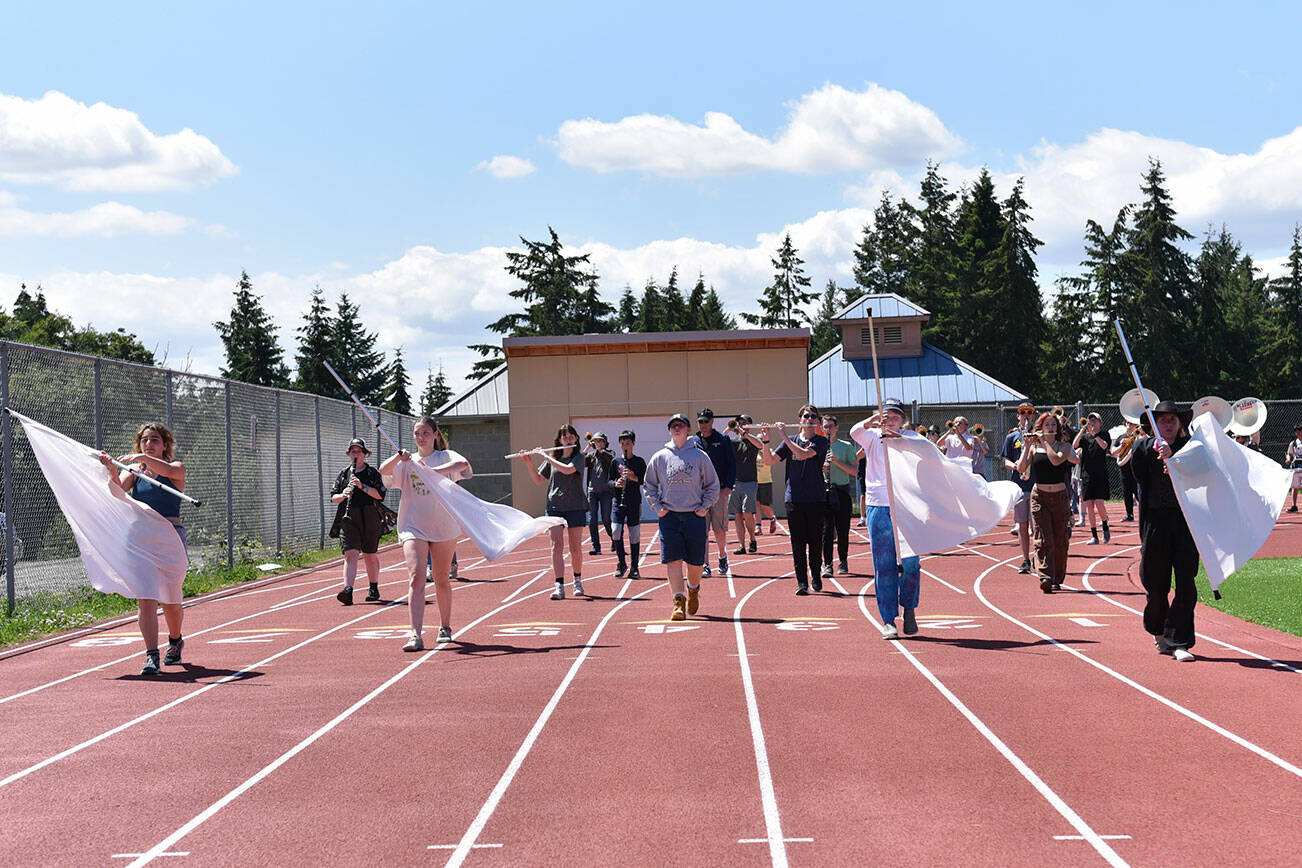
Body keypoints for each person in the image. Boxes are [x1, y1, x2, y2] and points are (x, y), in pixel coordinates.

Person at [97, 423, 188, 675]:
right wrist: (112, 469)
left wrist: (141, 459)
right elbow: (117, 492)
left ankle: (175, 639)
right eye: (145, 440)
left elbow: (168, 469)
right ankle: (151, 655)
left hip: (170, 538)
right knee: (146, 596)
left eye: (155, 440)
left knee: (170, 600)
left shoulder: (175, 469)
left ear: (164, 445)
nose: (149, 444)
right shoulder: (135, 471)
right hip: (141, 539)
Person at [379, 417, 471, 651]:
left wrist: (433, 470)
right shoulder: (407, 461)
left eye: (426, 433)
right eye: (417, 433)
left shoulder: (444, 457)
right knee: (416, 577)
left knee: (441, 579)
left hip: (443, 526)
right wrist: (399, 457)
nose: (421, 437)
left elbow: (463, 464)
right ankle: (415, 635)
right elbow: (383, 471)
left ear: (435, 434)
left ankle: (445, 626)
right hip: (413, 525)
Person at [1128, 402, 1200, 662]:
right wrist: (1156, 448)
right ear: (1155, 425)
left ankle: (1180, 641)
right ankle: (1159, 632)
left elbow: (1202, 467)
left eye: (1173, 420)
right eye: (1163, 420)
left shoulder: (1191, 447)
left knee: (1186, 584)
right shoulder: (1144, 447)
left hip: (1185, 524)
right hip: (1155, 522)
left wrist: (1177, 458)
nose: (1169, 424)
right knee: (1156, 584)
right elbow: (1137, 464)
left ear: (1180, 424)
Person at [854, 399, 924, 639]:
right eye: (886, 415)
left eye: (896, 416)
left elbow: (928, 454)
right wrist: (871, 423)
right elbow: (855, 432)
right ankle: (888, 619)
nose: (891, 419)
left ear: (903, 420)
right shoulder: (872, 436)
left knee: (912, 563)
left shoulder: (911, 437)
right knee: (883, 565)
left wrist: (899, 438)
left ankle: (910, 607)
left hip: (907, 507)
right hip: (878, 506)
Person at [644, 413, 719, 620]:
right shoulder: (660, 457)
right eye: (673, 426)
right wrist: (657, 507)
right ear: (669, 430)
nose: (677, 428)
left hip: (694, 515)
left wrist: (705, 506)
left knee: (695, 563)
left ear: (687, 430)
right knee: (673, 561)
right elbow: (649, 485)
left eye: (681, 425)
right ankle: (678, 601)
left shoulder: (699, 456)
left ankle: (693, 589)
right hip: (669, 517)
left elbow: (713, 485)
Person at [761, 404, 829, 595]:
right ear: (800, 420)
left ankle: (816, 573)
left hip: (815, 499)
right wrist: (766, 441)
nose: (809, 419)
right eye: (806, 416)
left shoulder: (821, 441)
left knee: (815, 542)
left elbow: (803, 454)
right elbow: (769, 461)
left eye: (813, 417)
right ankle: (801, 582)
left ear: (817, 421)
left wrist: (782, 435)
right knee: (797, 543)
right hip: (794, 499)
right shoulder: (791, 440)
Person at [519, 424, 587, 600]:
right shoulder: (551, 458)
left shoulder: (579, 457)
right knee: (556, 546)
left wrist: (546, 457)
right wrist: (528, 462)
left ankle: (577, 580)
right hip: (555, 506)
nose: (568, 439)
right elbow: (538, 480)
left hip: (575, 506)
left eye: (571, 436)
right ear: (559, 440)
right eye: (564, 437)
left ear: (576, 439)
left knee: (575, 548)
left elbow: (568, 470)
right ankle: (559, 585)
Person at [1016, 411, 1079, 593]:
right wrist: (1027, 446)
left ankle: (1057, 577)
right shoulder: (1035, 447)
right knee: (1043, 538)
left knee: (1060, 540)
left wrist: (1043, 441)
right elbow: (1021, 468)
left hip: (1060, 497)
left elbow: (1056, 460)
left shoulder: (1064, 446)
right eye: (1046, 425)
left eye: (1052, 425)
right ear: (1041, 427)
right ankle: (1044, 576)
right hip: (1039, 496)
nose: (1050, 428)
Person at [330, 438, 387, 605]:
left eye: (359, 451)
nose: (356, 454)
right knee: (350, 554)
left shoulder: (372, 473)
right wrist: (343, 495)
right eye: (353, 451)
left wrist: (362, 486)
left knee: (370, 554)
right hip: (348, 518)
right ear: (349, 454)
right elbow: (333, 497)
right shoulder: (343, 474)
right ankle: (348, 589)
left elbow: (380, 495)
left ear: (364, 454)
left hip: (369, 516)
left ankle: (373, 587)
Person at [693, 409, 736, 578]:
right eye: (700, 422)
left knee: (719, 529)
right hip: (698, 492)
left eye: (706, 421)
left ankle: (722, 556)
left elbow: (732, 463)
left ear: (712, 421)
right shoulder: (693, 441)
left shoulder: (723, 439)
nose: (703, 425)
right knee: (702, 530)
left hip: (719, 490)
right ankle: (705, 564)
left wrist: (729, 486)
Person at [821, 414, 858, 577]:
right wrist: (821, 469)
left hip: (842, 490)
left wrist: (836, 462)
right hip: (824, 491)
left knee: (843, 530)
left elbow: (855, 471)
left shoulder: (846, 446)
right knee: (826, 530)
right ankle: (827, 564)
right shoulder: (816, 445)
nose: (828, 429)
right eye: (825, 426)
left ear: (836, 428)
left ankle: (843, 561)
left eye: (830, 426)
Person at [1003, 402, 1037, 574]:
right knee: (1022, 525)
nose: (1026, 415)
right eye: (1022, 412)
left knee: (1037, 524)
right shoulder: (1012, 437)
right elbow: (1006, 460)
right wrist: (1015, 466)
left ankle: (1038, 555)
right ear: (1018, 416)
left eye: (1029, 412)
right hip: (1019, 486)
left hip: (1036, 485)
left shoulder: (1038, 436)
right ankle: (1025, 559)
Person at [611, 430, 647, 578]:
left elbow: (645, 481)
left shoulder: (639, 461)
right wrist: (615, 483)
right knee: (615, 531)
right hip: (618, 500)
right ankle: (621, 562)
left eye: (628, 443)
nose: (625, 446)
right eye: (623, 443)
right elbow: (608, 481)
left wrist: (633, 477)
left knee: (634, 535)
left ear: (633, 444)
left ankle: (634, 566)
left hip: (633, 501)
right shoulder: (616, 462)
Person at [1073, 413, 1112, 544]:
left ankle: (1105, 524)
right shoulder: (1085, 437)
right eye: (1090, 421)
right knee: (1089, 505)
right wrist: (1082, 430)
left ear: (1100, 423)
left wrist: (1094, 435)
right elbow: (1074, 445)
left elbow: (1104, 446)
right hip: (1087, 474)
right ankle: (1094, 536)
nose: (1092, 423)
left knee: (1099, 503)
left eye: (1094, 421)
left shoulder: (1104, 435)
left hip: (1100, 474)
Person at [728, 415, 762, 556]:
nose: (741, 425)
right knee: (737, 515)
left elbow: (760, 445)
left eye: (744, 423)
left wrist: (744, 432)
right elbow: (720, 442)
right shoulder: (734, 442)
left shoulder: (753, 442)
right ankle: (741, 545)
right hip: (735, 482)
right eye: (739, 423)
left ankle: (752, 539)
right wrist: (729, 429)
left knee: (748, 513)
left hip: (750, 482)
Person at [584, 433, 616, 555]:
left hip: (606, 492)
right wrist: (588, 447)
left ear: (605, 442)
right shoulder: (591, 456)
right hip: (592, 491)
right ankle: (596, 547)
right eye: (595, 441)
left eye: (600, 441)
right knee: (592, 520)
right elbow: (580, 460)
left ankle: (614, 539)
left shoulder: (609, 453)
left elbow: (610, 457)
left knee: (606, 519)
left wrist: (600, 449)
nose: (597, 443)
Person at [1112, 421, 1140, 522]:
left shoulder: (1138, 436)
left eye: (1132, 423)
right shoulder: (1121, 437)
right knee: (1127, 492)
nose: (1130, 425)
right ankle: (1129, 515)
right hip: (1124, 469)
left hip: (1136, 468)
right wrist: (1121, 445)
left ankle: (1144, 513)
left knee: (1138, 492)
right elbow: (1113, 452)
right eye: (1128, 423)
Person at [755, 441, 778, 535]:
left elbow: (767, 460)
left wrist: (759, 450)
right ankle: (758, 526)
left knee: (764, 505)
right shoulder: (754, 452)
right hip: (755, 481)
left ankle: (772, 518)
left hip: (766, 481)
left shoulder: (769, 451)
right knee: (756, 505)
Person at [1285, 423, 1302, 513]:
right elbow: (1289, 454)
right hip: (1296, 467)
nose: (1298, 433)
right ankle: (1294, 506)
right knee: (1295, 486)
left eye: (1299, 431)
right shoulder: (1294, 443)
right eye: (1296, 431)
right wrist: (1288, 459)